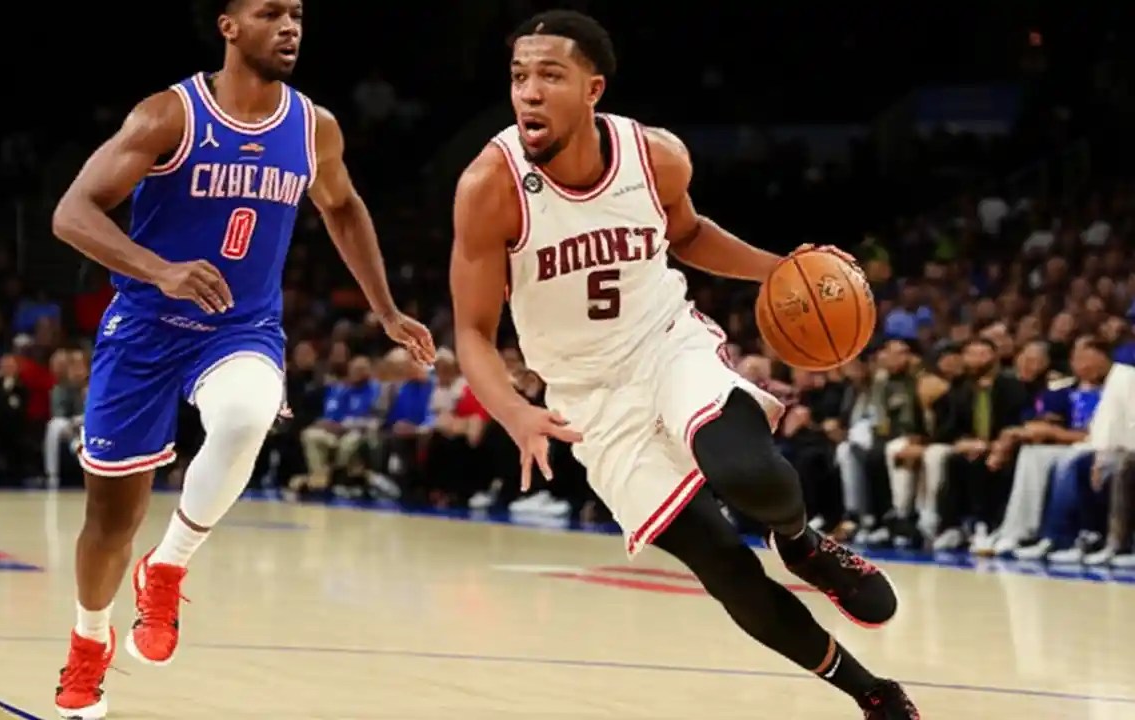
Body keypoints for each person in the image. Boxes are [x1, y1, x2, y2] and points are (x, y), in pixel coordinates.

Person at [448, 11, 917, 719]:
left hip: (665, 343)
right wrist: (514, 410)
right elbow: (473, 332)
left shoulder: (655, 156)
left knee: (746, 472)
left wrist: (783, 269)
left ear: (592, 88)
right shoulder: (491, 184)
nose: (529, 93)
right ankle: (872, 693)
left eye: (550, 76)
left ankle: (802, 542)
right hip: (586, 399)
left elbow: (689, 232)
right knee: (724, 567)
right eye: (519, 77)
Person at [49, 0, 435, 717]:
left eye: (297, 14)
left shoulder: (313, 126)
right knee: (109, 521)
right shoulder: (169, 115)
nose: (290, 26)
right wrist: (156, 267)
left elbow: (344, 208)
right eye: (270, 13)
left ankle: (166, 570)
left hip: (240, 328)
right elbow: (72, 213)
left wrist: (384, 309)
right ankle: (88, 641)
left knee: (249, 412)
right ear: (229, 26)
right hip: (145, 329)